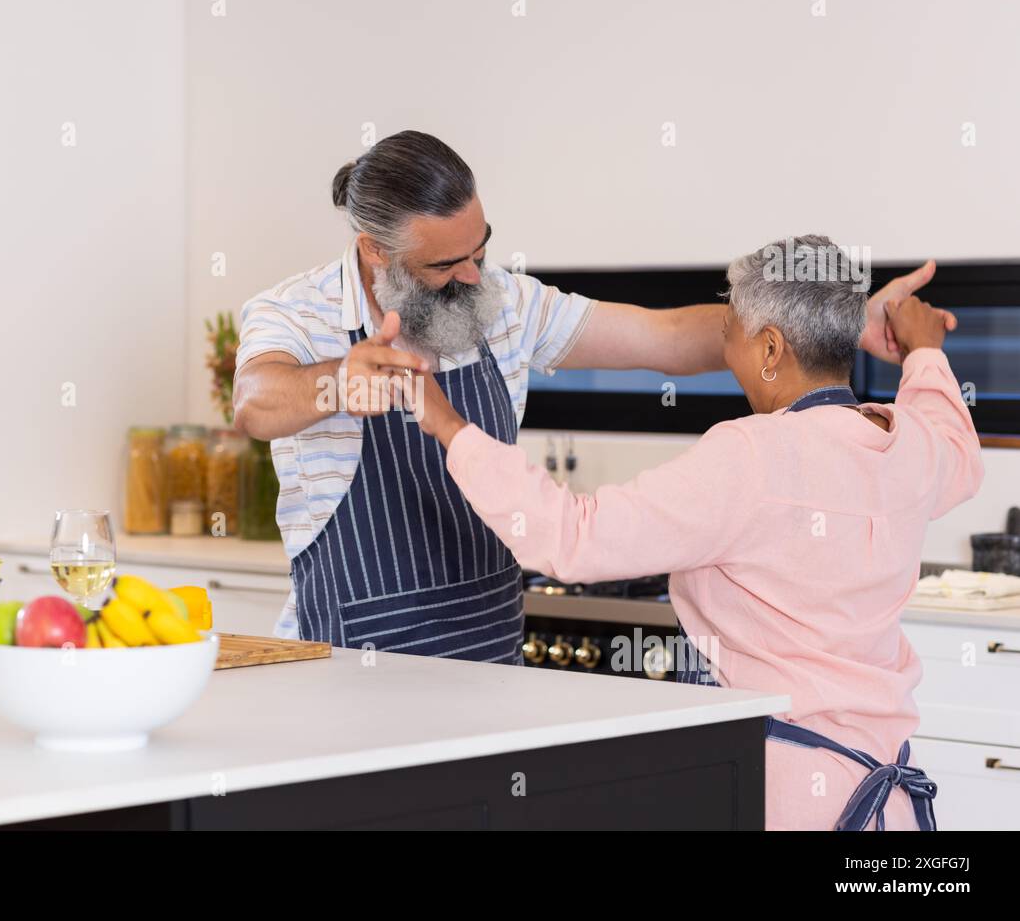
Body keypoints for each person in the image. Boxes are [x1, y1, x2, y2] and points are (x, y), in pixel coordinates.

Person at [233, 130, 950, 665]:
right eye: (447, 265)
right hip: (349, 666)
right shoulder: (297, 312)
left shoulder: (506, 303)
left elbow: (667, 339)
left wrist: (844, 322)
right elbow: (255, 401)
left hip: (486, 661)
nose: (475, 275)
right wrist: (338, 380)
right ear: (374, 251)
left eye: (481, 248)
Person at [412, 236, 984, 830]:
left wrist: (449, 425)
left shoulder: (750, 457)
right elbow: (957, 444)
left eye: (731, 324)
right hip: (884, 799)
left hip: (777, 790)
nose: (722, 337)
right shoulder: (907, 443)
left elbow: (573, 537)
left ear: (770, 348)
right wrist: (925, 352)